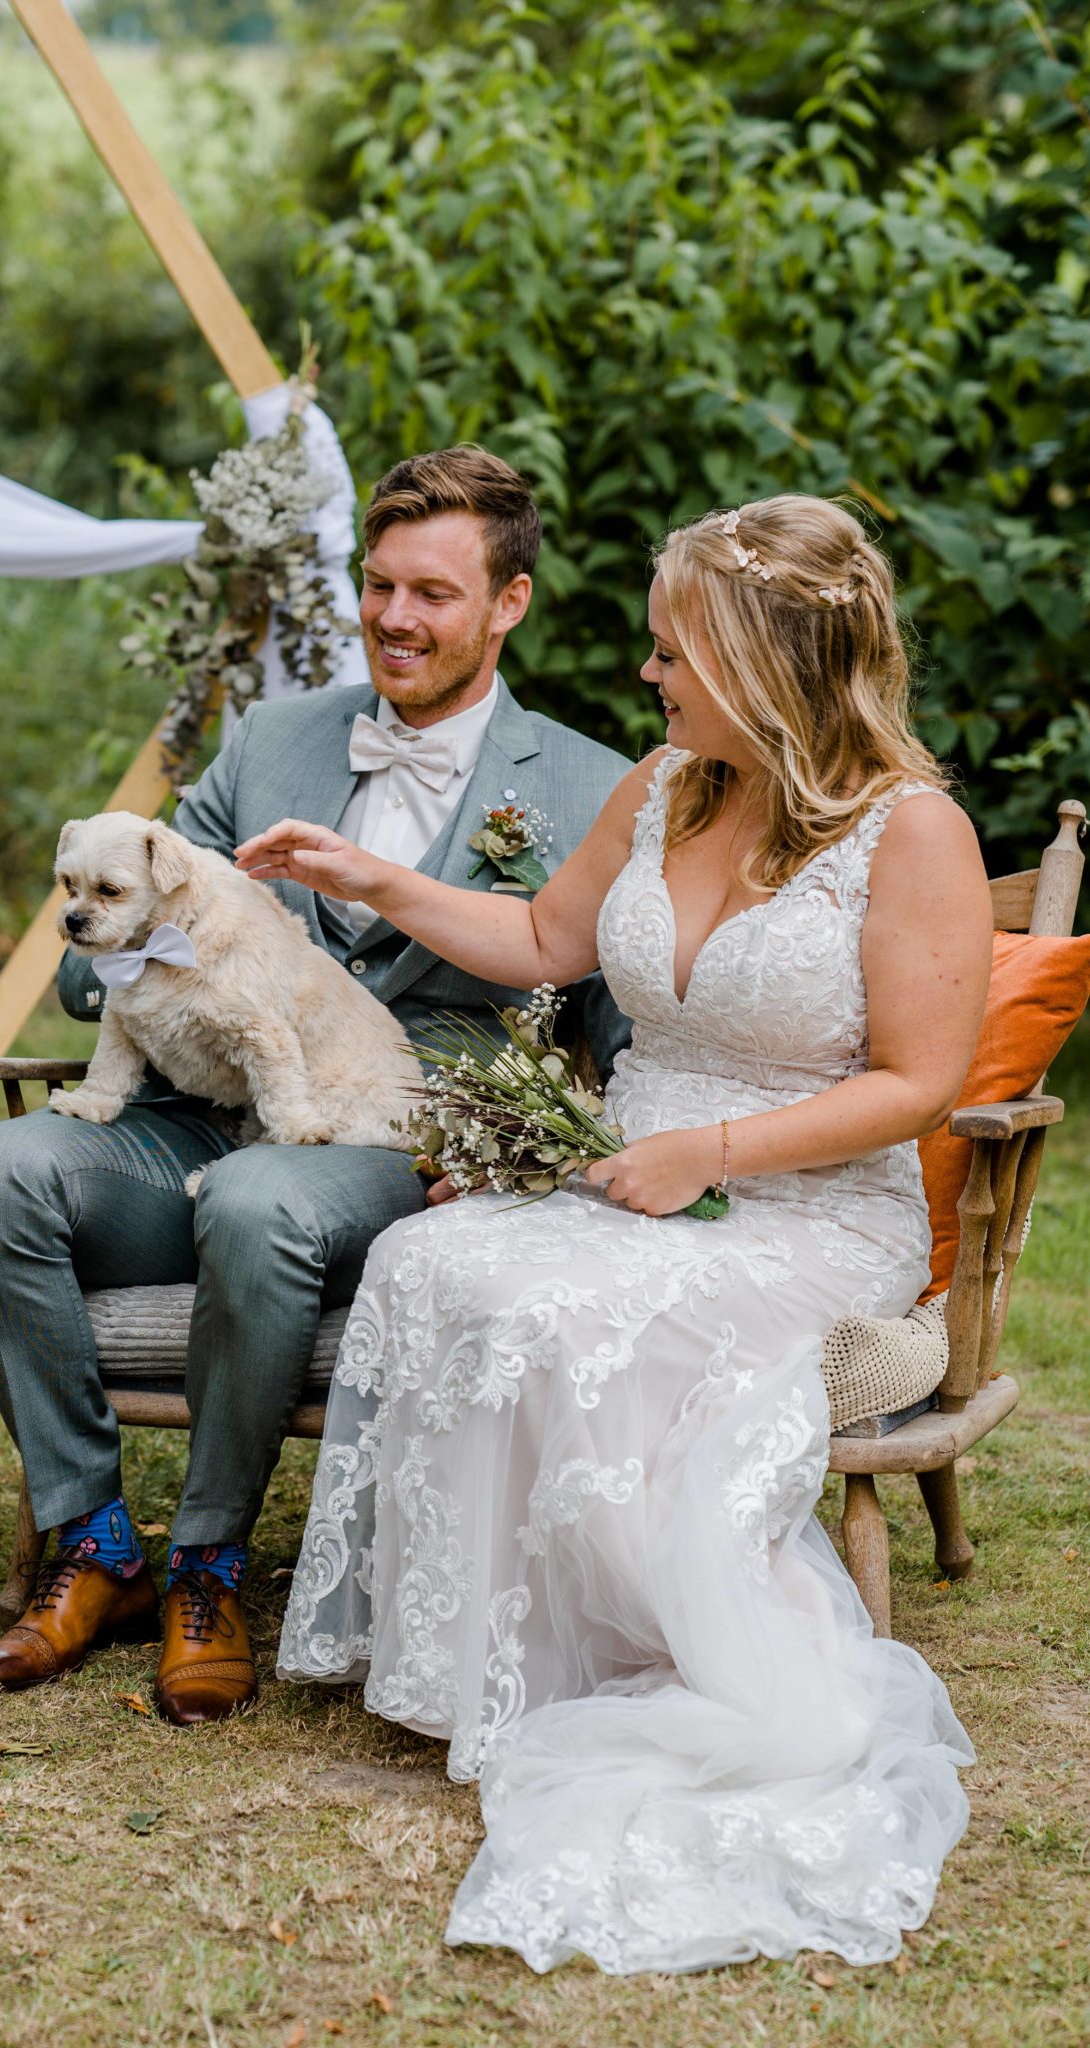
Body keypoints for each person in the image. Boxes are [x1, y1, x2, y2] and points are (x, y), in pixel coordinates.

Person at [237, 493, 993, 1974]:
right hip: (631, 1173)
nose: (647, 678)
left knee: (563, 1316)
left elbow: (919, 1084)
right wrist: (369, 877)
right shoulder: (664, 788)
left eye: (671, 653)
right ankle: (473, 1665)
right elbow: (539, 942)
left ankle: (612, 1664)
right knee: (432, 1261)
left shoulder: (913, 834)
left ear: (767, 659)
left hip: (804, 1209)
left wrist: (701, 1151)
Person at [0, 446, 632, 1724]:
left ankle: (209, 1567)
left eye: (431, 591)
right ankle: (95, 1546)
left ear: (509, 604)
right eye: (377, 584)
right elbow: (101, 959)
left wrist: (545, 1156)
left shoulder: (589, 785)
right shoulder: (272, 737)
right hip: (176, 1116)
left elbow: (621, 1024)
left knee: (259, 1198)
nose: (393, 617)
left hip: (389, 1141)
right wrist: (149, 957)